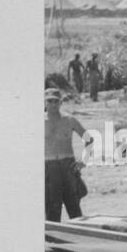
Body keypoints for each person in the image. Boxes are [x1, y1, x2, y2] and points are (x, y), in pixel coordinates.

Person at [44, 88, 89, 221]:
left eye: (56, 101)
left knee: (74, 206)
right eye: (49, 101)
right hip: (49, 167)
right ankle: (53, 240)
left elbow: (89, 140)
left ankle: (79, 238)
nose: (53, 104)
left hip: (68, 166)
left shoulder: (69, 120)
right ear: (45, 102)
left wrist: (83, 160)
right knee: (52, 208)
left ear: (61, 102)